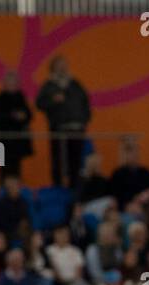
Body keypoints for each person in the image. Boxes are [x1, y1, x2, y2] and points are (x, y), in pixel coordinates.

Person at [36, 56, 91, 188]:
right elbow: (39, 104)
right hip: (59, 128)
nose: (62, 67)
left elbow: (85, 102)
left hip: (77, 128)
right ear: (53, 68)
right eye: (59, 65)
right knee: (58, 160)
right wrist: (53, 100)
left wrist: (83, 120)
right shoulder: (49, 86)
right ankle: (58, 187)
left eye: (64, 64)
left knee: (76, 160)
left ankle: (74, 187)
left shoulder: (75, 84)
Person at [0, 71, 34, 180]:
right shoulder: (0, 98)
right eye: (9, 83)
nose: (12, 85)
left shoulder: (21, 97)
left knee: (16, 168)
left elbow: (29, 115)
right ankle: (4, 190)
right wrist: (12, 116)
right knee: (3, 167)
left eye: (14, 83)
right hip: (1, 140)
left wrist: (22, 116)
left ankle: (14, 191)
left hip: (17, 141)